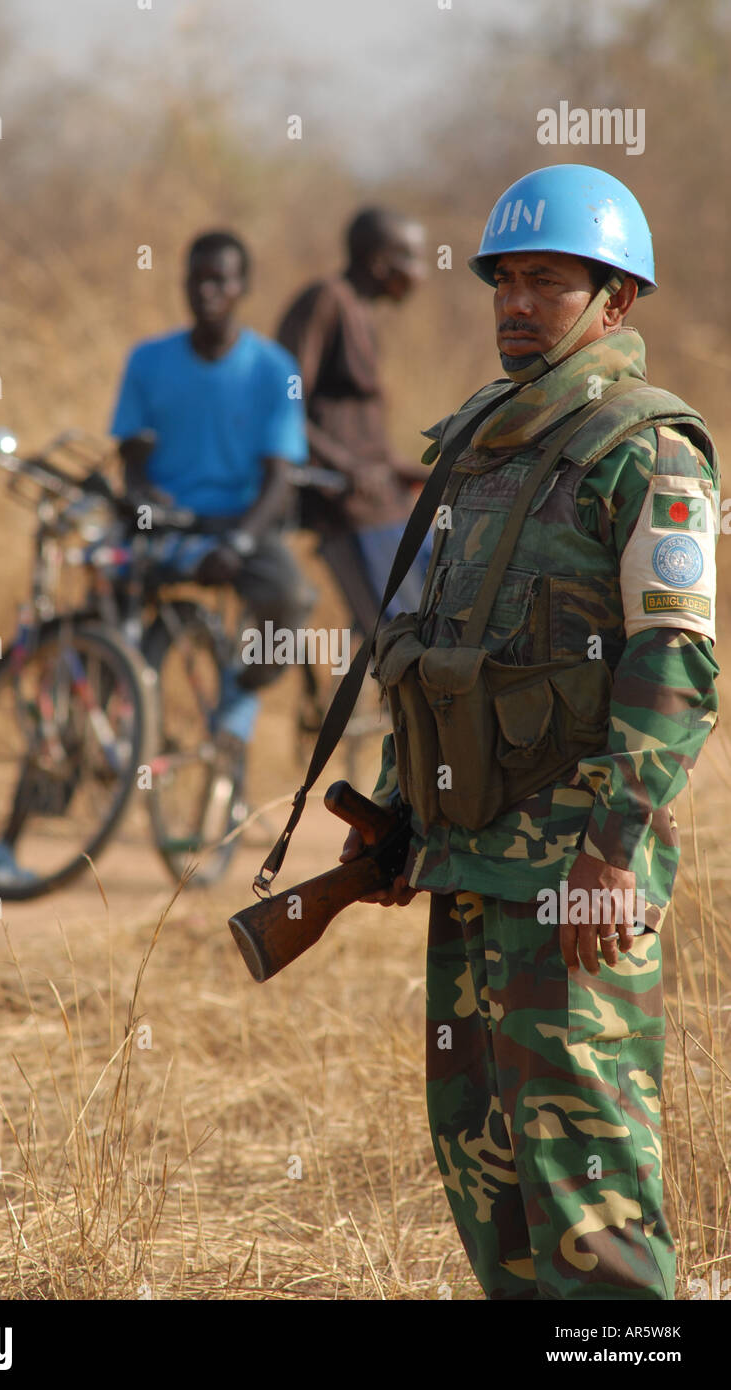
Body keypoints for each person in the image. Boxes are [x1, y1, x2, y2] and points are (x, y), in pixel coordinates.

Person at [342, 164, 719, 1300]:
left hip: (573, 884)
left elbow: (678, 656)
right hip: (467, 865)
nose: (515, 303)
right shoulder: (479, 443)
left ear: (616, 299)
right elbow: (437, 643)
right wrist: (398, 811)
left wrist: (614, 849)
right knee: (487, 1178)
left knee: (590, 1203)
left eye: (547, 283)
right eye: (504, 282)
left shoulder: (648, 451)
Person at [109, 229, 314, 748]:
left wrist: (240, 543)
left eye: (219, 280)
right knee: (103, 580)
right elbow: (131, 461)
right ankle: (99, 726)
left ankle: (244, 691)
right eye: (197, 279)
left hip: (239, 523)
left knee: (289, 597)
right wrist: (141, 496)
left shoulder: (273, 370)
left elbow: (280, 480)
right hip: (169, 521)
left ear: (242, 286)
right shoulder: (147, 360)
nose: (207, 292)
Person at [277, 207, 430, 636]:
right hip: (348, 505)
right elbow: (284, 403)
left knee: (437, 620)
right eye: (415, 259)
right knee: (400, 638)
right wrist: (347, 467)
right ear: (381, 263)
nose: (422, 274)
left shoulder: (362, 312)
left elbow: (358, 431)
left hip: (386, 502)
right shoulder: (326, 301)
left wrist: (419, 472)